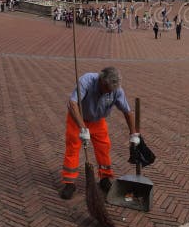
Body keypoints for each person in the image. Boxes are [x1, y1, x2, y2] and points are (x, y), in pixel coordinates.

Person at [59, 67, 139, 200]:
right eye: (107, 88)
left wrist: (133, 134)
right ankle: (69, 183)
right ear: (101, 81)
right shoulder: (86, 81)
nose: (110, 92)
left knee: (104, 148)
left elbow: (127, 112)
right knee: (73, 148)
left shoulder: (116, 90)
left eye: (112, 90)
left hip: (98, 121)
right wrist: (83, 128)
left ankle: (105, 178)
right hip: (78, 118)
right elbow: (72, 104)